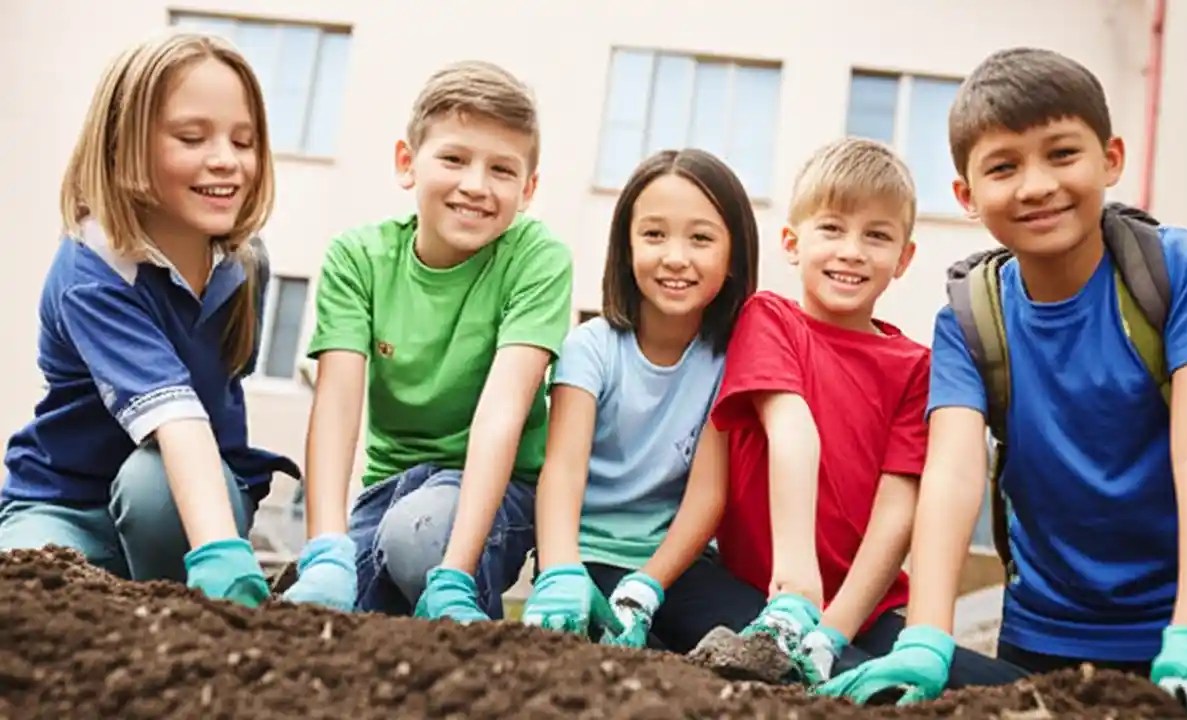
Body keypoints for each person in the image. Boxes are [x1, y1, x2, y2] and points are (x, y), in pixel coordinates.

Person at [828, 47, 1187, 719]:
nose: (1036, 185)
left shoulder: (1185, 270)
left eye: (1062, 153)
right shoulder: (968, 320)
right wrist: (925, 636)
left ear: (1111, 159)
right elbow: (950, 477)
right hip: (1046, 637)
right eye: (1004, 167)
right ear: (968, 197)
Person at [704, 137, 1027, 689]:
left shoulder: (917, 368)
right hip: (765, 597)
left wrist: (831, 631)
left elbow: (897, 511)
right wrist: (796, 594)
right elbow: (789, 426)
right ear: (792, 242)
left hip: (867, 610)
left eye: (877, 236)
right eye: (831, 228)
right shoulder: (769, 319)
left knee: (1007, 690)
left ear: (904, 259)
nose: (852, 251)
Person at [0, 31, 299, 608]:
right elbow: (177, 416)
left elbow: (221, 399)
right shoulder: (93, 271)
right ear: (122, 147)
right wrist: (222, 555)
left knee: (150, 484)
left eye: (244, 141)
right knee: (26, 594)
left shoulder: (247, 264)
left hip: (181, 501)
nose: (225, 160)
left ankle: (183, 619)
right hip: (66, 505)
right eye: (192, 137)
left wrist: (222, 569)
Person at [285, 60, 573, 620]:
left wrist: (455, 574)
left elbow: (502, 413)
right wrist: (325, 548)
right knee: (333, 611)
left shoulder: (537, 259)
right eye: (454, 158)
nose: (475, 186)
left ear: (529, 189)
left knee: (420, 542)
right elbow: (339, 404)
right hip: (389, 484)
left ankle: (464, 640)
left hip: (494, 489)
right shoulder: (358, 259)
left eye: (502, 170)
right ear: (406, 163)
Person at [520, 148, 761, 650]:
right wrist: (560, 571)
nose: (675, 257)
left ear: (734, 255)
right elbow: (562, 471)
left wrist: (649, 584)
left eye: (700, 238)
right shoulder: (591, 347)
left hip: (677, 565)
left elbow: (707, 496)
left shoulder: (733, 356)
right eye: (654, 235)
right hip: (586, 559)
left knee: (769, 652)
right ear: (626, 247)